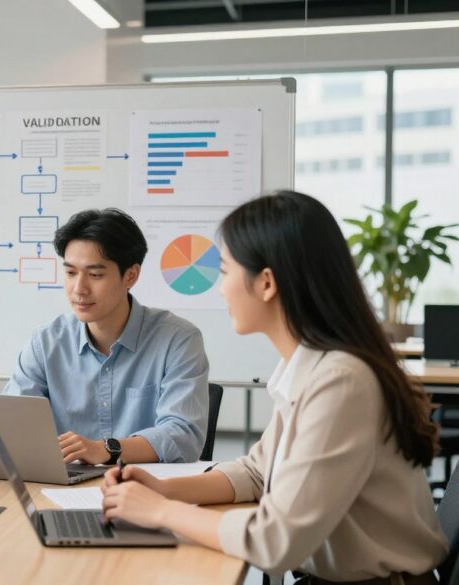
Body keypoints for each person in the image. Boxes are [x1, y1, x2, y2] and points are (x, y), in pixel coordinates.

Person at [101, 191, 446, 584]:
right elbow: (257, 472)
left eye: (226, 271)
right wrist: (166, 491)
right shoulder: (309, 365)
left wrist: (161, 512)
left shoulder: (341, 382)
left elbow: (275, 542)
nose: (220, 288)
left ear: (266, 283)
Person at [3, 208, 209, 464]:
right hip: (60, 487)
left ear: (130, 276)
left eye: (95, 275)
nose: (79, 289)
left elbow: (183, 436)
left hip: (145, 488)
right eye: (70, 273)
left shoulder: (178, 340)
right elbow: (11, 423)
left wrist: (106, 449)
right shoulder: (45, 342)